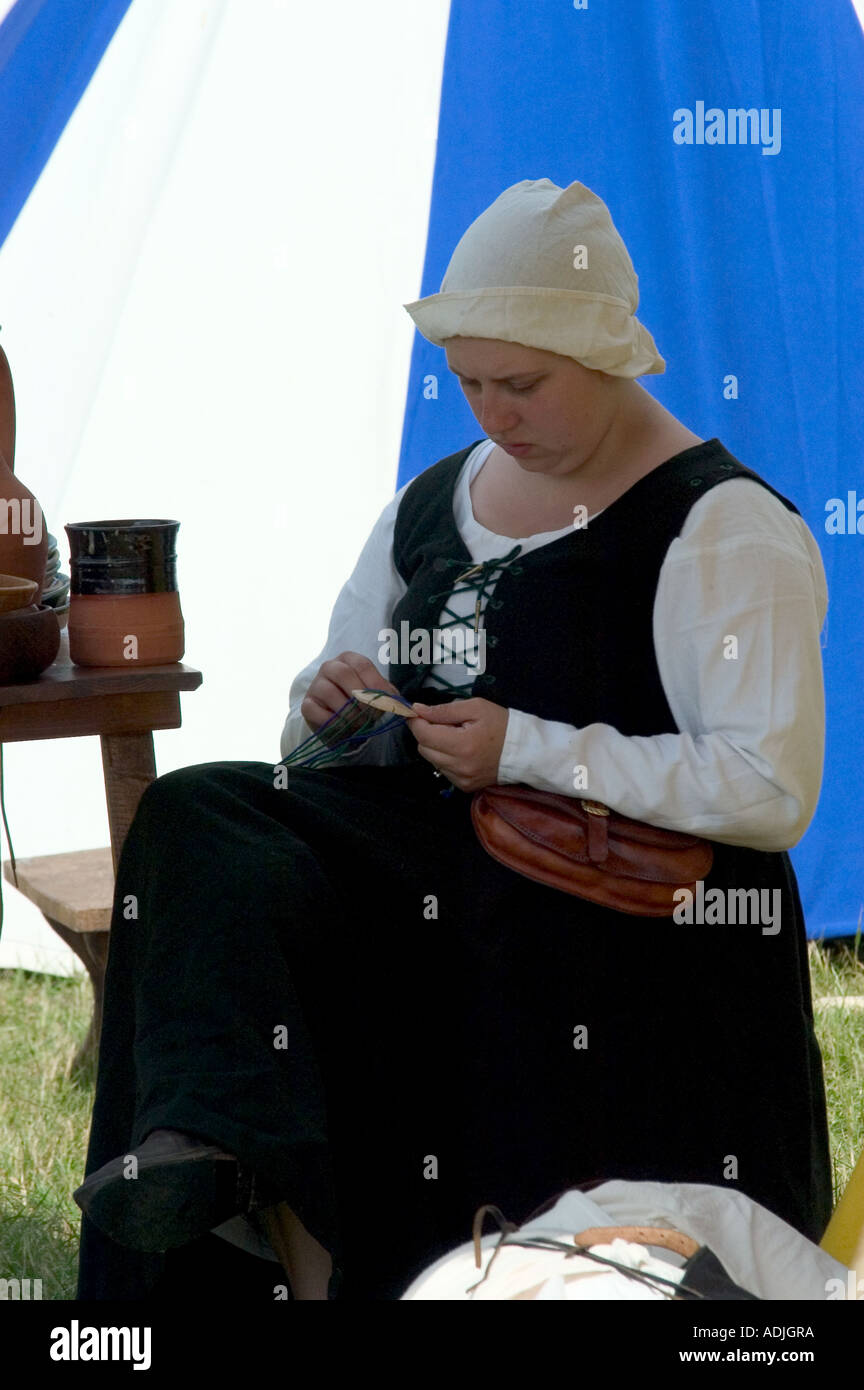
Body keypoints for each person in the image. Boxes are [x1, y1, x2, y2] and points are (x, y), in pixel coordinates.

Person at [74, 178, 833, 1303]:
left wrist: (524, 746)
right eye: (472, 381)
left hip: (625, 937)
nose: (493, 412)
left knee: (455, 943)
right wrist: (329, 703)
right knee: (199, 811)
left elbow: (772, 787)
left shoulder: (718, 525)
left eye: (522, 384)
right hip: (434, 880)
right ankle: (212, 1153)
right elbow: (327, 698)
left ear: (609, 358)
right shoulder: (430, 504)